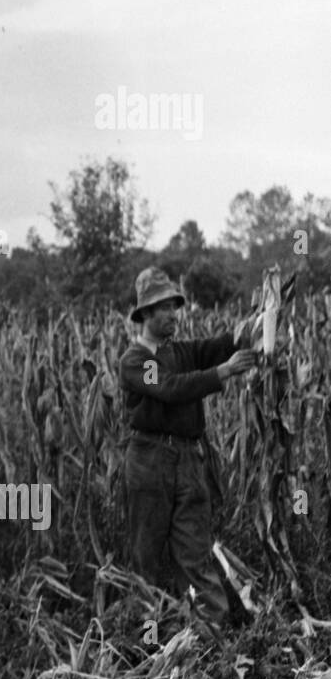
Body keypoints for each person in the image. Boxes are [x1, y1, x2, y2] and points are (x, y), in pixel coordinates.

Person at [119, 267, 258, 634]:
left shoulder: (181, 351)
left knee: (196, 552)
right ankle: (147, 646)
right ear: (145, 314)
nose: (172, 314)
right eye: (163, 308)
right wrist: (223, 373)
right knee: (146, 559)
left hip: (188, 460)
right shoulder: (136, 362)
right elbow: (167, 387)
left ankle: (214, 640)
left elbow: (214, 346)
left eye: (174, 306)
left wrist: (254, 326)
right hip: (149, 462)